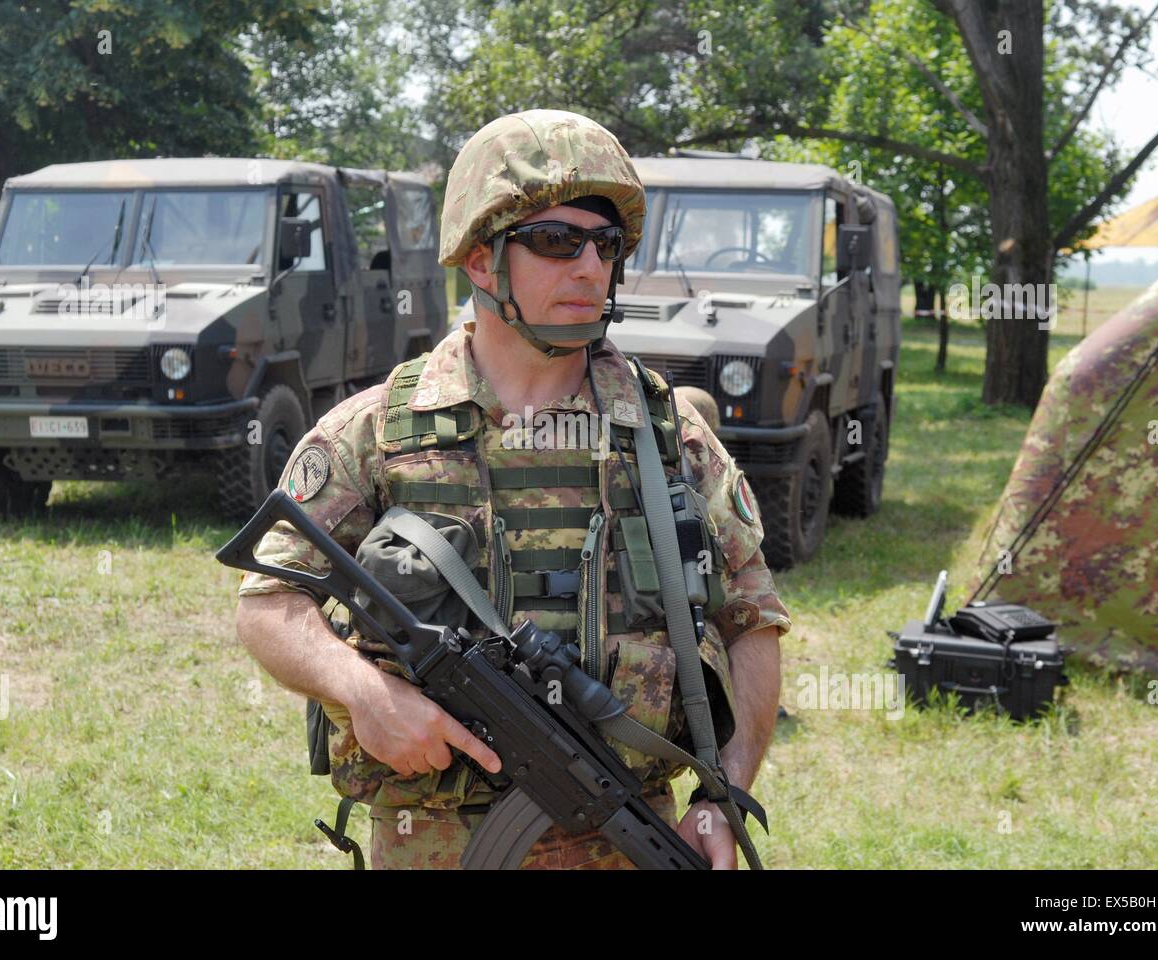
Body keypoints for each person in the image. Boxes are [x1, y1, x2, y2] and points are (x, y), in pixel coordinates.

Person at [234, 109, 792, 869]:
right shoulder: (376, 433)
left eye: (607, 245)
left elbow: (752, 620)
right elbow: (270, 602)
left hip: (635, 838)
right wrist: (365, 694)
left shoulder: (668, 436)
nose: (590, 268)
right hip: (432, 844)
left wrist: (725, 797)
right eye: (557, 242)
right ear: (478, 260)